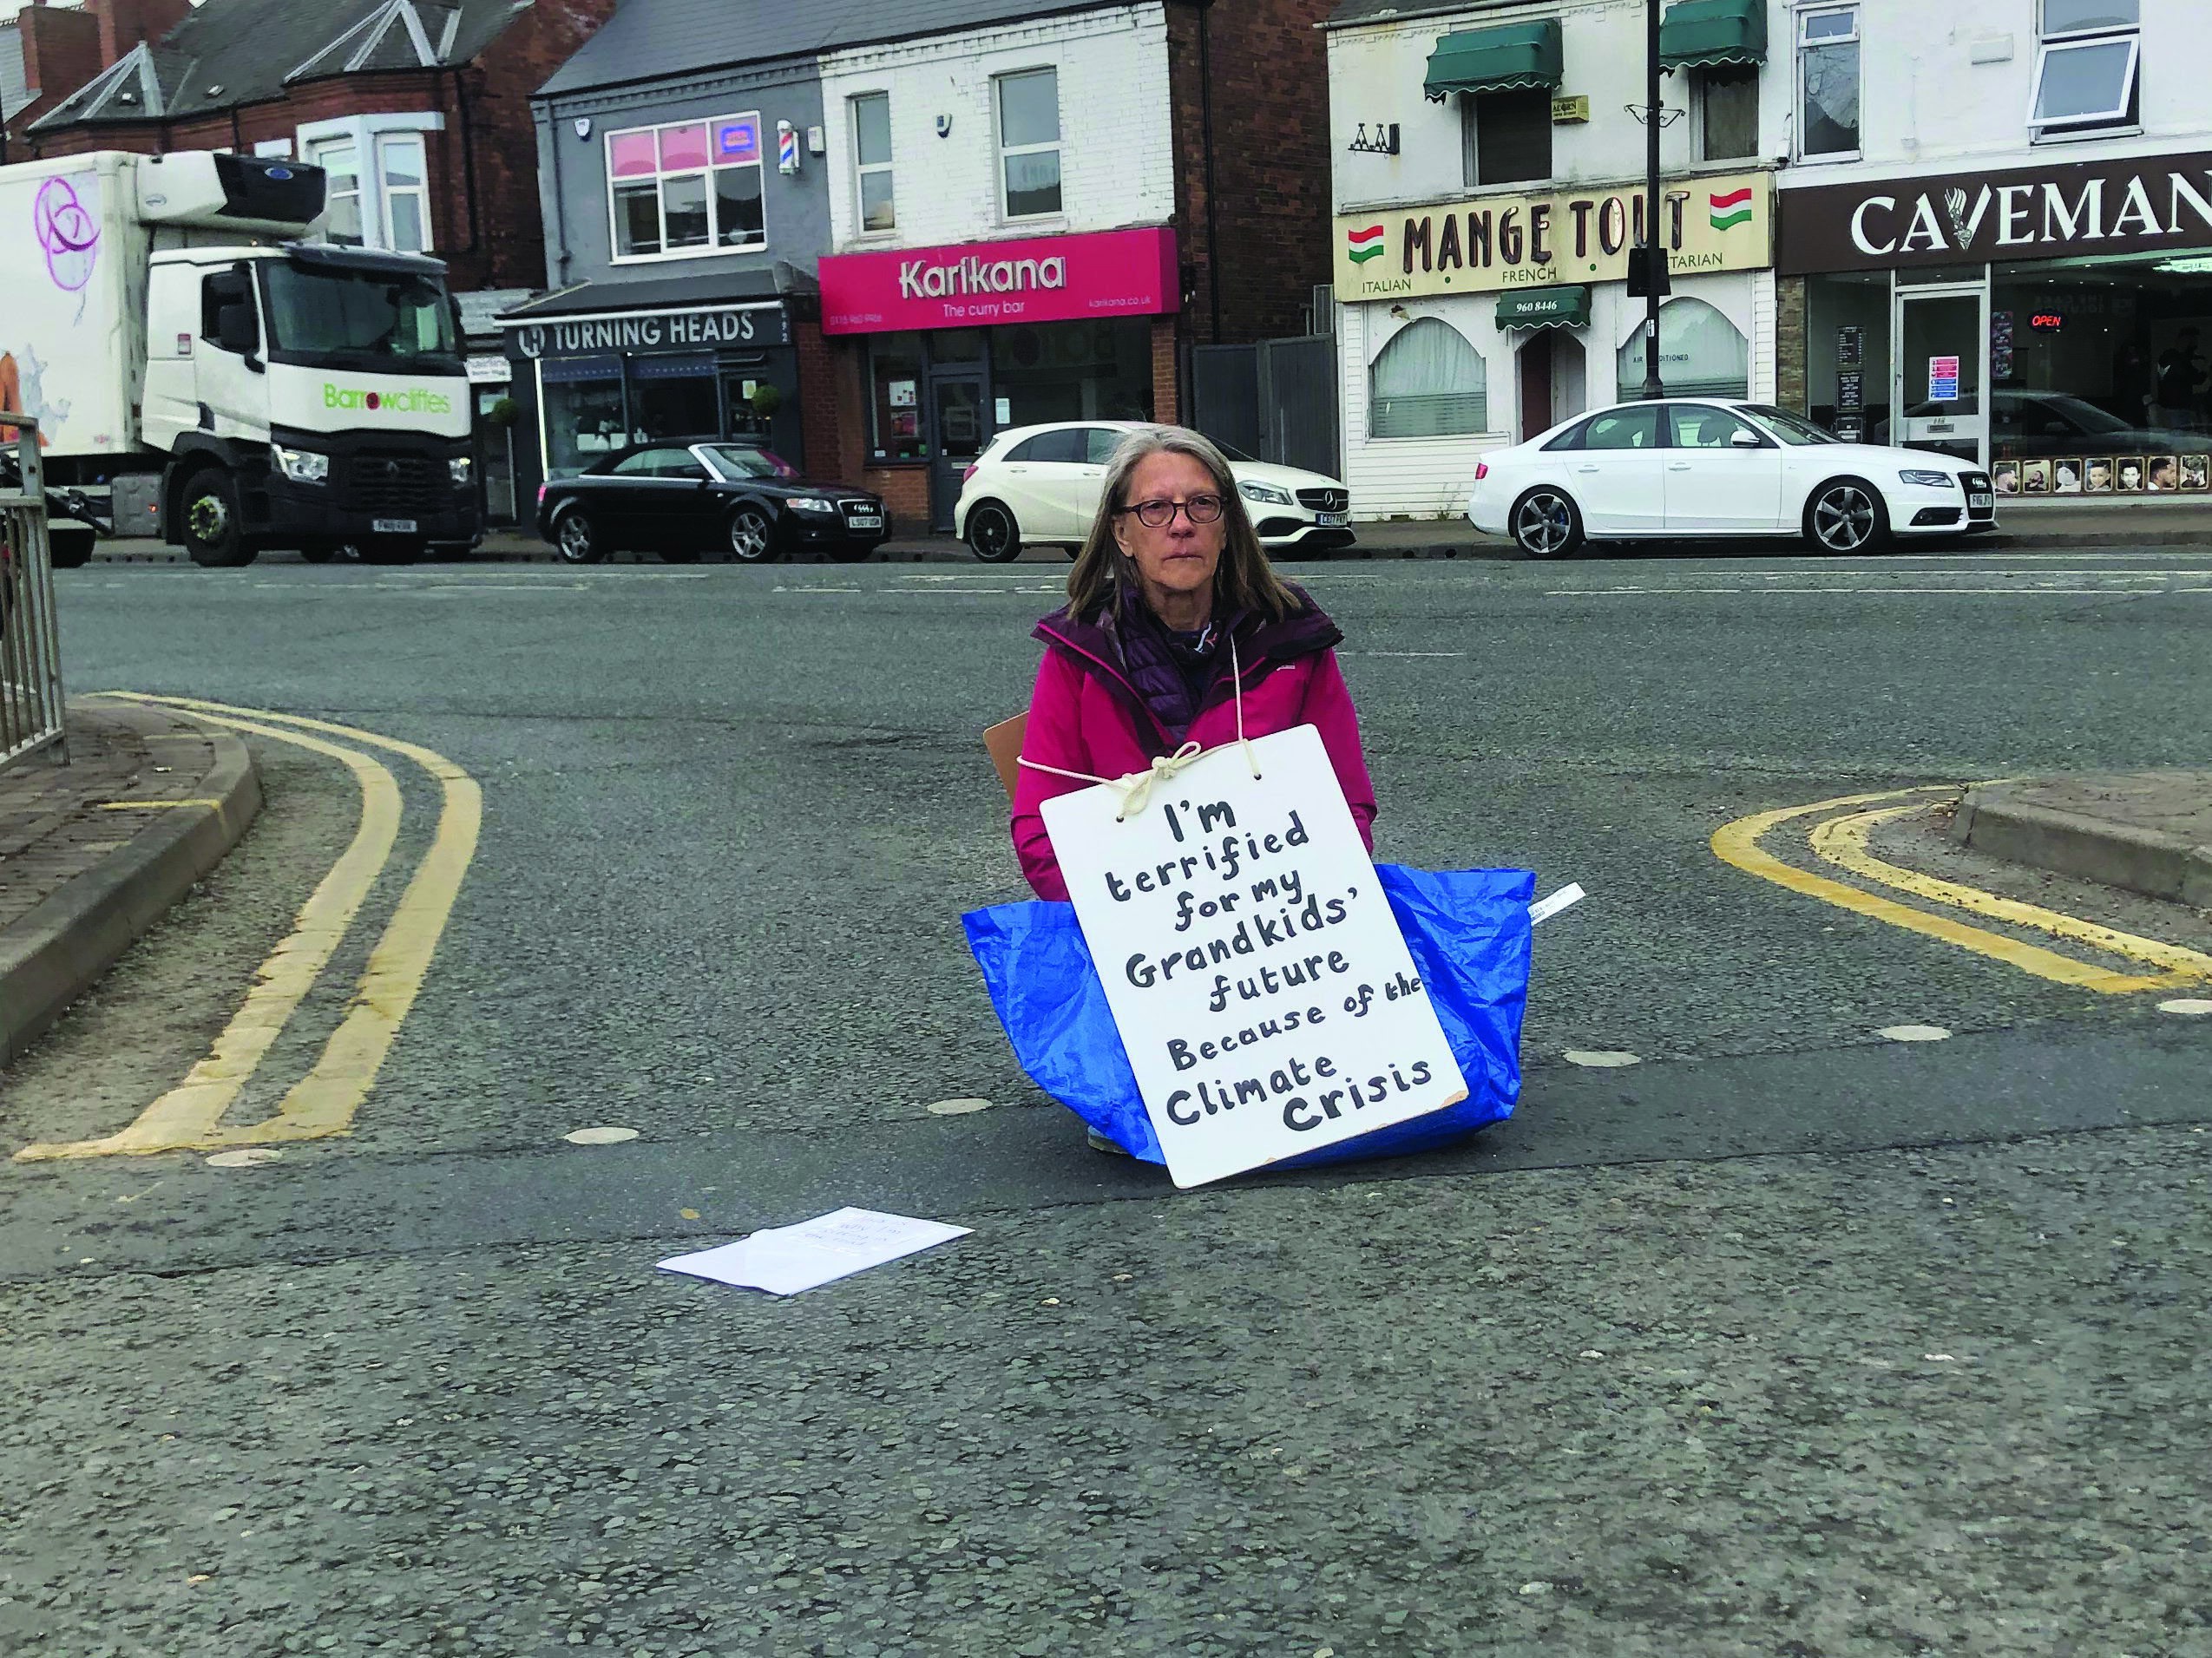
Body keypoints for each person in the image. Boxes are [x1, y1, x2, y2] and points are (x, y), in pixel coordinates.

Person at [1011, 425, 1376, 906]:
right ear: (1121, 532)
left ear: (1226, 527)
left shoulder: (1292, 637)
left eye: (1203, 504)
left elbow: (1347, 807)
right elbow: (1040, 834)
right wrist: (1162, 919)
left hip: (1277, 927)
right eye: (1155, 508)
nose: (1182, 525)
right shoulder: (1077, 651)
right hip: (1135, 937)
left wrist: (1248, 909)